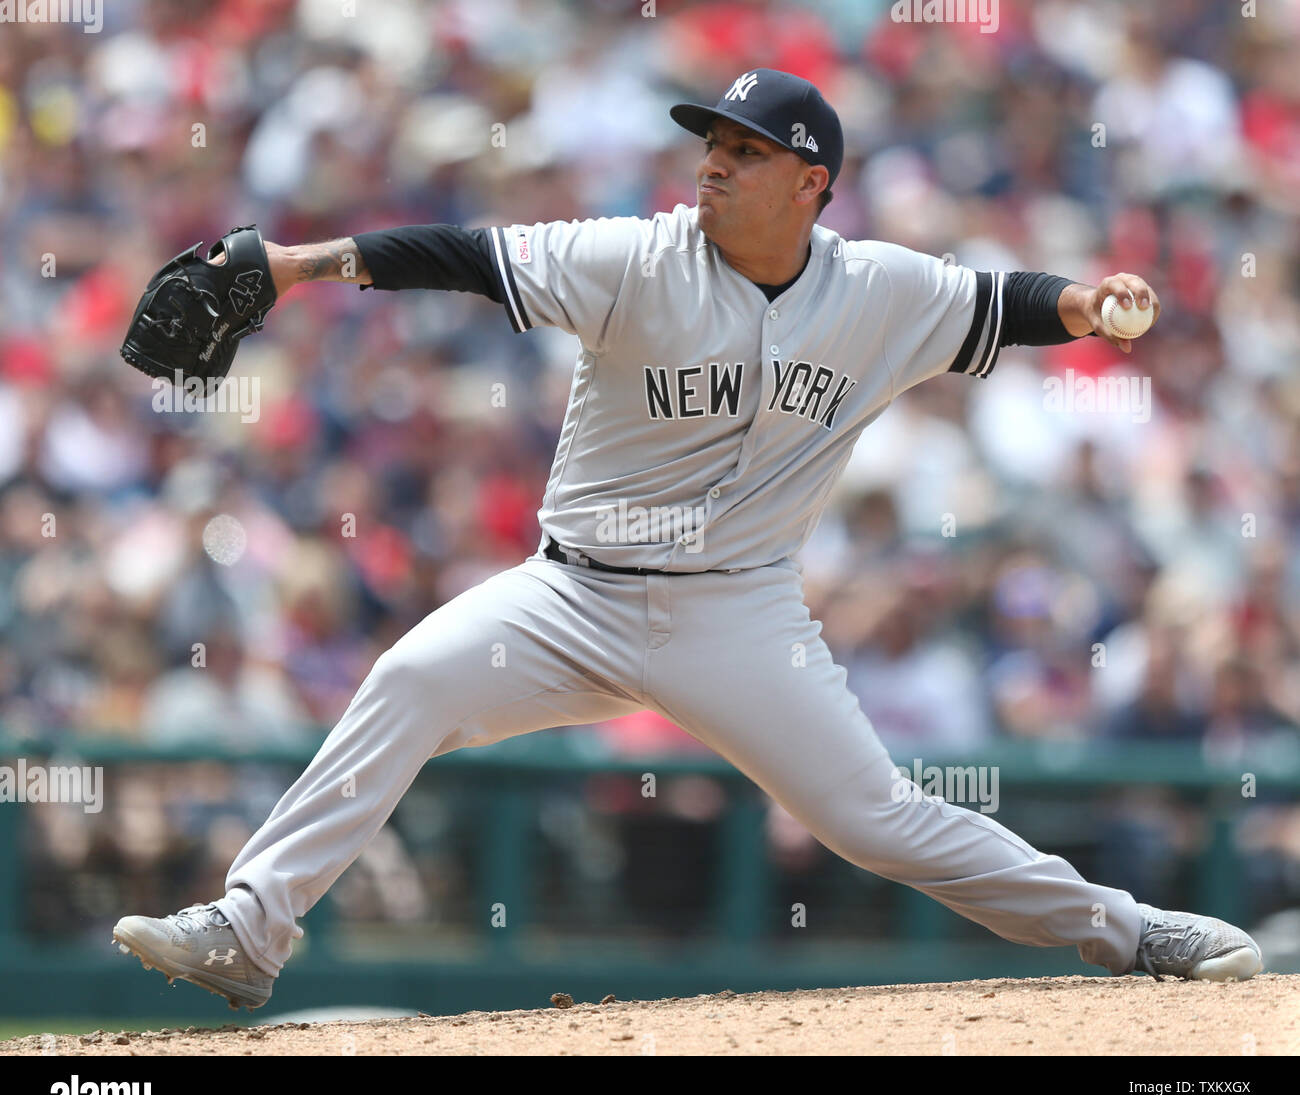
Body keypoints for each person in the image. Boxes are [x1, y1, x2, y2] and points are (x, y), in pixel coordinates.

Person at [113, 69, 1261, 1011]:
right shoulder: (637, 260)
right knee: (410, 676)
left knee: (876, 821)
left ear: (811, 183)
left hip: (740, 612)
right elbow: (464, 254)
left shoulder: (878, 290)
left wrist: (1089, 304)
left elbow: (999, 300)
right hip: (572, 598)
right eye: (711, 140)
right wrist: (307, 266)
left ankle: (1132, 929)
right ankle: (247, 928)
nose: (712, 161)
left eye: (746, 150)